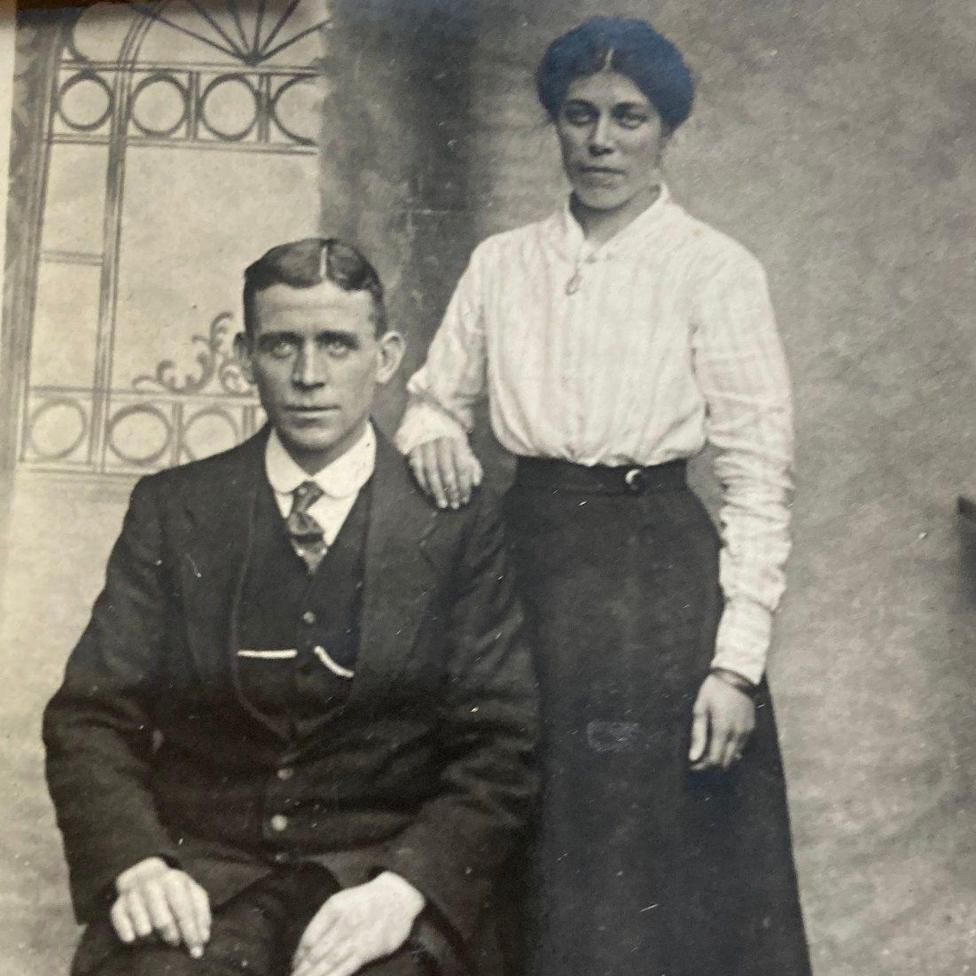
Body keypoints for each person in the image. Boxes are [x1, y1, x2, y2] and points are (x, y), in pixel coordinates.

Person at [396, 16, 811, 976]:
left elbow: (758, 478)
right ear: (554, 123)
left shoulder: (716, 268)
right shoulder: (504, 264)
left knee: (649, 855)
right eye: (579, 115)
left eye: (629, 117)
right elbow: (428, 403)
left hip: (656, 587)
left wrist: (734, 666)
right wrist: (436, 439)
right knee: (514, 807)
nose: (601, 140)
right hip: (524, 570)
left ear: (666, 131)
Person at [43, 238, 538, 976]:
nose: (309, 376)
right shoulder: (176, 510)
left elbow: (501, 743)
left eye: (337, 345)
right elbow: (91, 716)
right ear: (245, 358)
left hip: (373, 883)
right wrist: (138, 864)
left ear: (388, 355)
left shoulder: (453, 526)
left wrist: (406, 890)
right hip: (202, 877)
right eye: (282, 346)